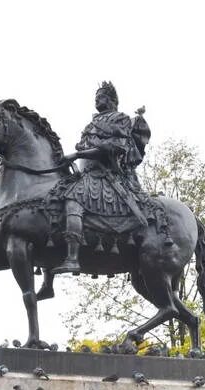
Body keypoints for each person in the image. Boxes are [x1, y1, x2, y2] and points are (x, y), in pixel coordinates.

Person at [51, 81, 151, 276]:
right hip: (86, 173)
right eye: (96, 97)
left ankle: (72, 258)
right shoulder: (91, 124)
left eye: (101, 96)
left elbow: (115, 148)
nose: (97, 100)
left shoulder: (120, 119)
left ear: (112, 100)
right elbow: (83, 147)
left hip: (107, 175)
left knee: (73, 200)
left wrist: (77, 155)